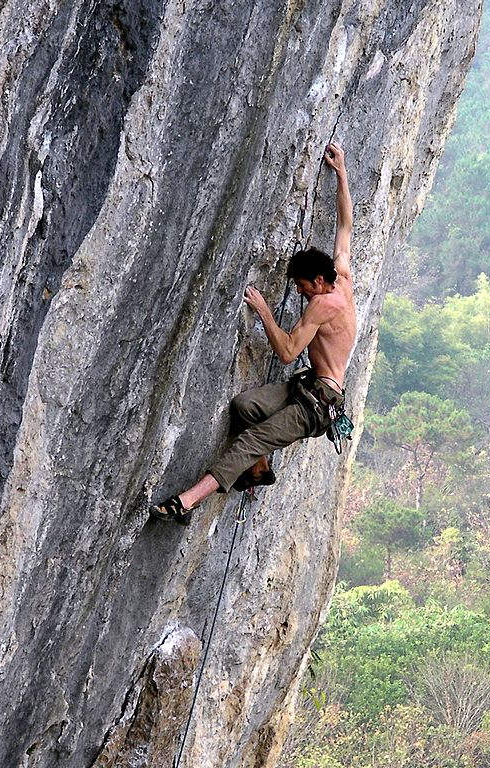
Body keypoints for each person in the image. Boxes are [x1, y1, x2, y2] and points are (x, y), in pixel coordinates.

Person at [151, 142, 356, 525]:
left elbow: (287, 352)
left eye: (300, 285)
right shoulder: (340, 277)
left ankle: (184, 503)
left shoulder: (323, 305)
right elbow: (345, 225)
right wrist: (341, 172)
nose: (298, 291)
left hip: (318, 405)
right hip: (309, 386)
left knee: (250, 439)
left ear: (317, 281)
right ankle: (258, 470)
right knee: (245, 407)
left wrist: (264, 312)